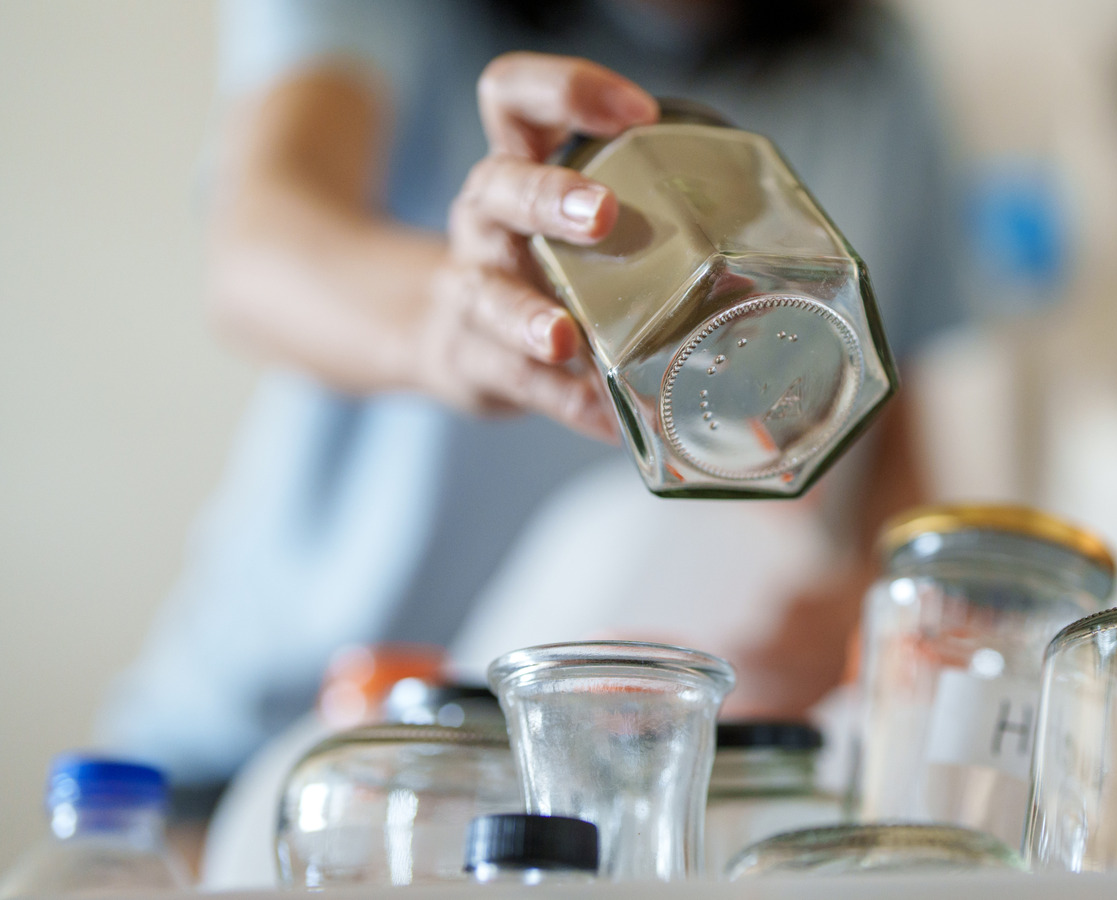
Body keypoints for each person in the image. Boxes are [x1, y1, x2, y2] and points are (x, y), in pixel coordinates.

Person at [98, 0, 967, 804]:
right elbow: (258, 245)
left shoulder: (876, 75)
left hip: (600, 787)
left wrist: (868, 621)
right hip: (278, 749)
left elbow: (896, 450)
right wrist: (446, 318)